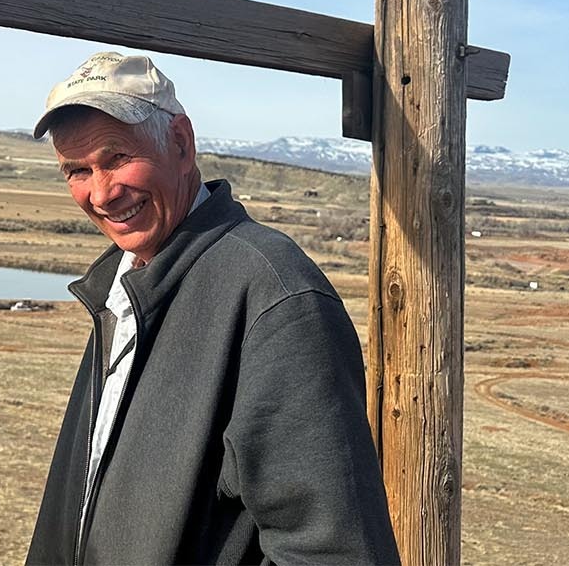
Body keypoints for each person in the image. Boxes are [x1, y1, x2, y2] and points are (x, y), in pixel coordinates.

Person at [24, 51, 399, 565]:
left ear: (181, 142)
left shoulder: (276, 296)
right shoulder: (126, 279)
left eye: (116, 158)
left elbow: (333, 552)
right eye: (77, 170)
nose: (102, 193)